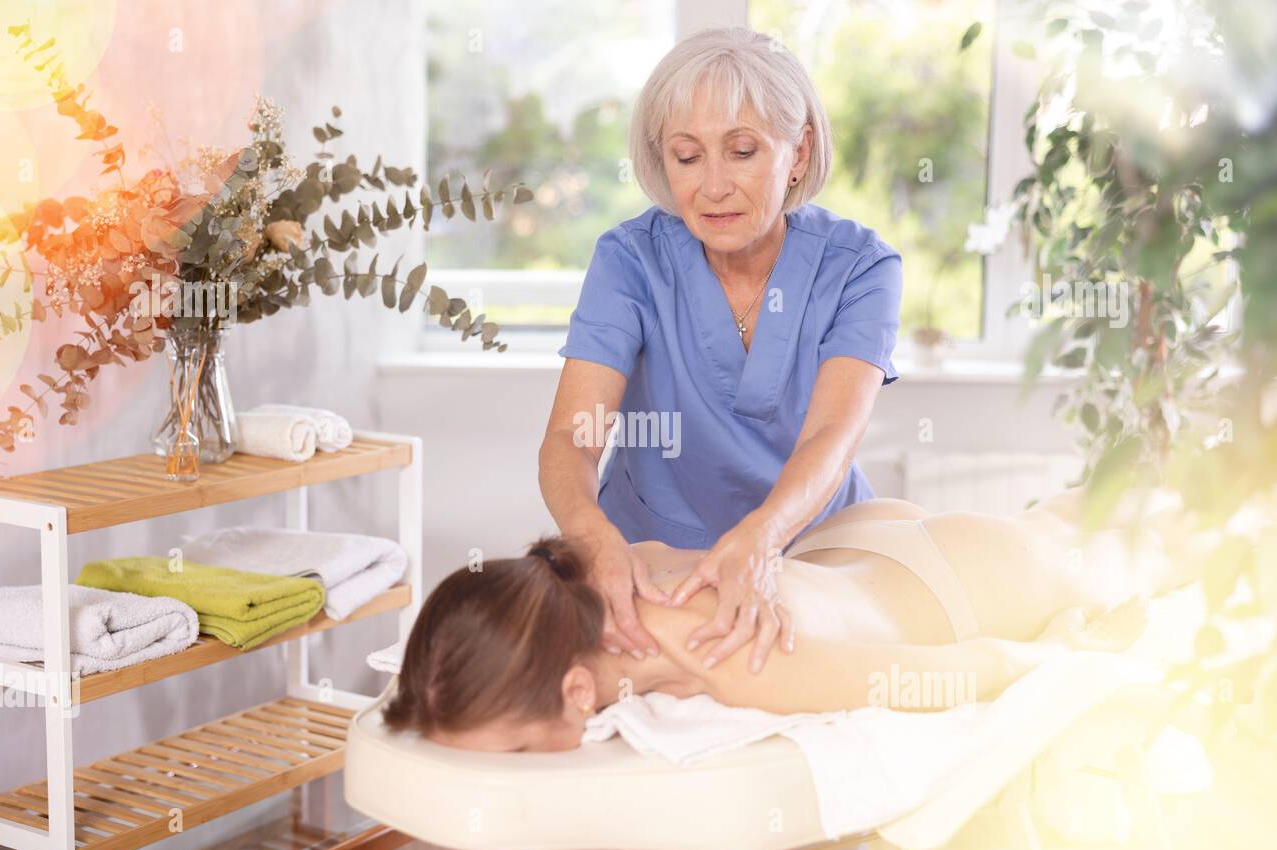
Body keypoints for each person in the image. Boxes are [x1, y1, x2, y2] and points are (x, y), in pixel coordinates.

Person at [538, 26, 903, 687]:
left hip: (814, 548)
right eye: (686, 157)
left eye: (741, 152)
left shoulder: (860, 267)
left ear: (799, 153)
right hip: (656, 555)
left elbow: (832, 432)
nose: (712, 187)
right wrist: (590, 538)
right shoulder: (631, 262)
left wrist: (762, 539)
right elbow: (571, 434)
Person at [383, 486, 1209, 753]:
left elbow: (938, 678)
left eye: (520, 750)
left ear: (572, 689)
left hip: (973, 583)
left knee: (1185, 533)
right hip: (861, 553)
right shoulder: (600, 580)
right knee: (1099, 504)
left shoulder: (728, 654)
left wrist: (1055, 656)